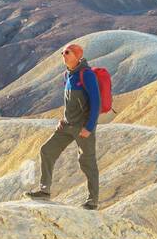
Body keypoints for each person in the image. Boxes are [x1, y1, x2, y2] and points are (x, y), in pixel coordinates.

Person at [24, 42, 100, 210]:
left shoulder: (86, 75)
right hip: (67, 125)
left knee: (87, 162)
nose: (63, 56)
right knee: (47, 150)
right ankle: (44, 191)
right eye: (63, 53)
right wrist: (64, 119)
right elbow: (69, 102)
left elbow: (96, 102)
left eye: (67, 53)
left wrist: (89, 127)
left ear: (77, 56)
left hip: (82, 127)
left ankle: (92, 200)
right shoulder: (68, 75)